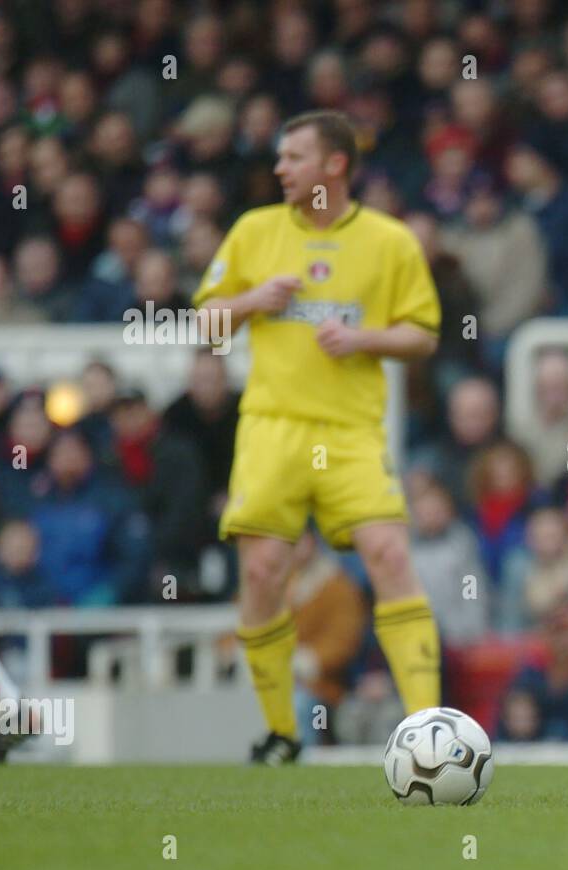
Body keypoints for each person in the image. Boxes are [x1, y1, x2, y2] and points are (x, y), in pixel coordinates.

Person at [192, 110, 443, 764]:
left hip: (352, 431)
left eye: (294, 156)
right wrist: (252, 303)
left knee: (389, 554)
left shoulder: (389, 242)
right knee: (263, 571)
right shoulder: (254, 231)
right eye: (280, 157)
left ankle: (426, 729)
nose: (280, 168)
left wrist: (364, 339)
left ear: (335, 165)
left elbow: (424, 334)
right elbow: (206, 328)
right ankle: (281, 731)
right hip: (272, 428)